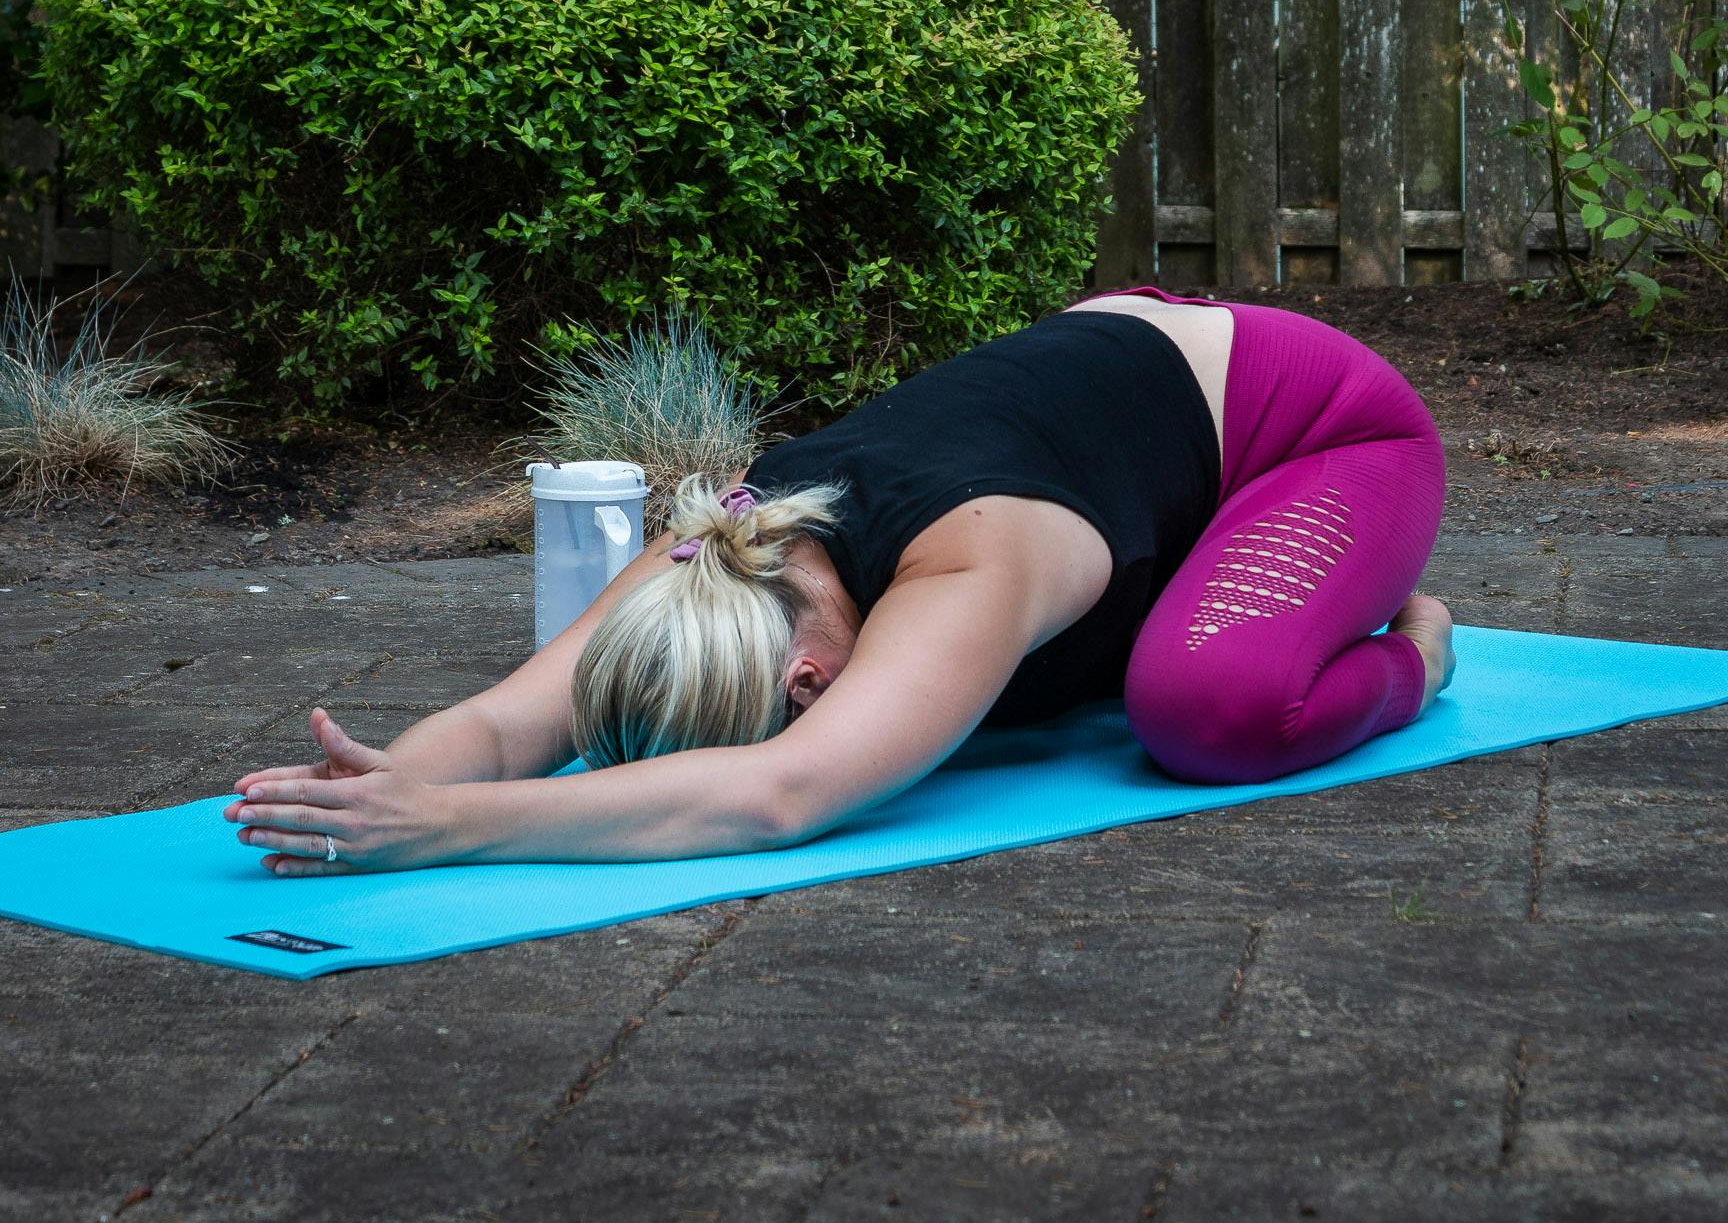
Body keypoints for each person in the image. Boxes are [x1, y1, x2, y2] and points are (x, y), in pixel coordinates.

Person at [224, 288, 1453, 876]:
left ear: (809, 680)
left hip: (1319, 432)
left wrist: (454, 831)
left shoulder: (966, 556)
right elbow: (506, 721)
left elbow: (779, 797)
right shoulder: (714, 553)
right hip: (1125, 424)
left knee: (1205, 708)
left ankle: (1418, 647)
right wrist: (395, 783)